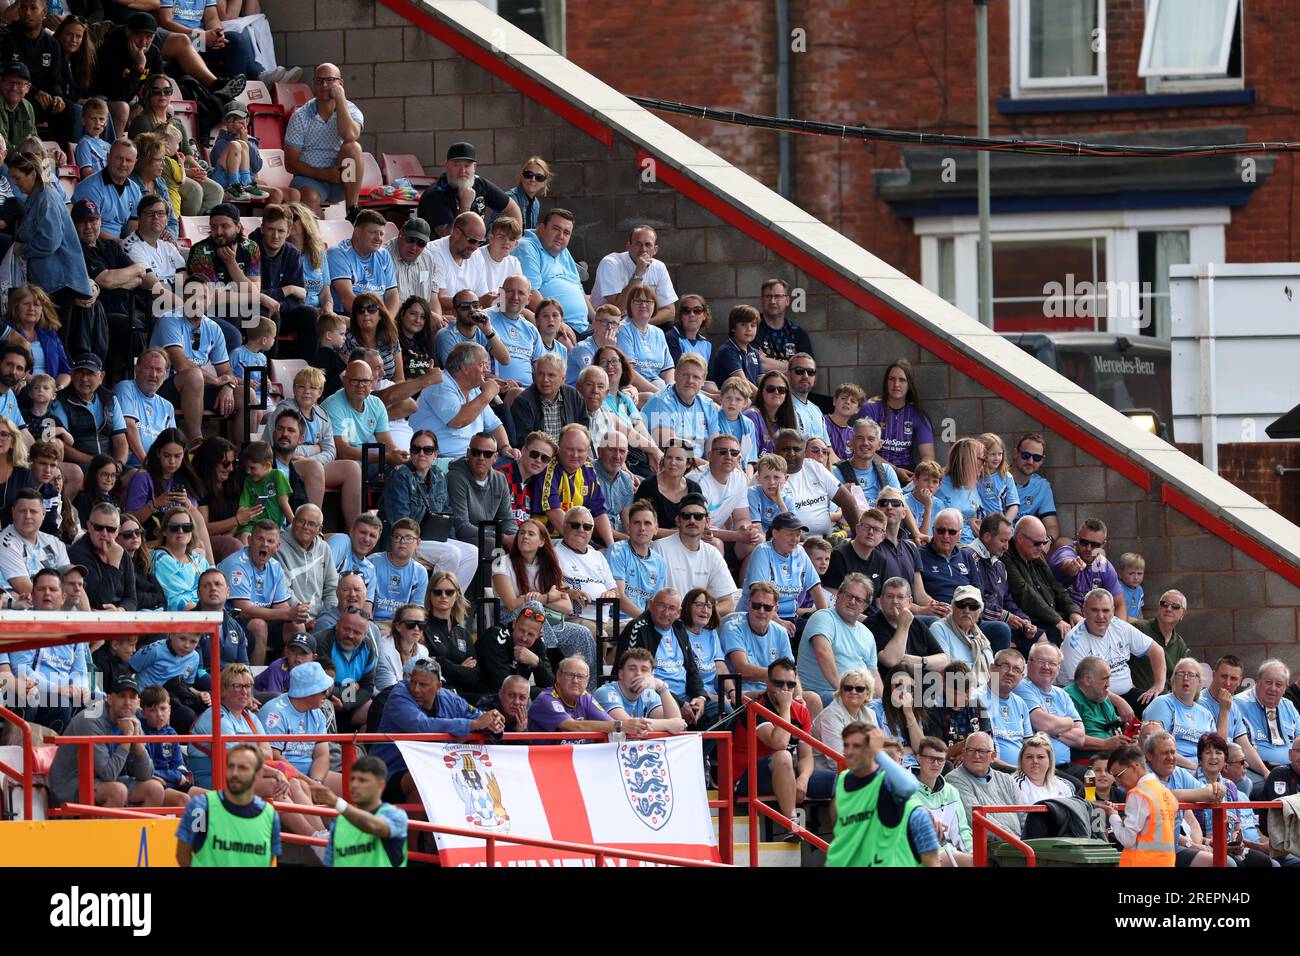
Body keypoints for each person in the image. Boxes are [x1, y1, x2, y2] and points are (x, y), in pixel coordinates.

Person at [370, 658, 504, 801]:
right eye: (413, 682)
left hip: (432, 770)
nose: (415, 689)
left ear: (439, 687)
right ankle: (409, 824)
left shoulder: (450, 698)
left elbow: (480, 717)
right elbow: (421, 726)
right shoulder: (399, 693)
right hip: (386, 772)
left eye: (423, 684)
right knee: (423, 780)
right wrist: (473, 724)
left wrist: (494, 723)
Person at [731, 657, 834, 840]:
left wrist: (802, 779)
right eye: (779, 683)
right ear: (767, 682)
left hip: (786, 775)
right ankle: (792, 825)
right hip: (747, 778)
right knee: (783, 755)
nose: (785, 689)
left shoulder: (801, 711)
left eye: (790, 684)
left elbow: (806, 756)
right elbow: (778, 742)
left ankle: (851, 843)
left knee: (844, 781)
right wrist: (786, 707)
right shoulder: (754, 707)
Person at [826, 722, 939, 867]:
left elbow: (909, 786)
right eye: (846, 745)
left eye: (857, 746)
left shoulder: (889, 785)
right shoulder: (842, 781)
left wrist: (879, 753)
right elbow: (840, 831)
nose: (849, 752)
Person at [47, 674, 166, 808]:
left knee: (155, 790)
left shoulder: (131, 720)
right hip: (68, 785)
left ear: (138, 703)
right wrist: (127, 738)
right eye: (122, 696)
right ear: (109, 699)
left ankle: (132, 830)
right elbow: (108, 774)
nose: (127, 702)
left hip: (102, 782)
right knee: (118, 792)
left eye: (132, 697)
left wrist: (137, 742)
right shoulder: (91, 720)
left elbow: (145, 775)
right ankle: (99, 830)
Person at [1060, 588, 1167, 718]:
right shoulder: (1073, 641)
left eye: (1105, 610)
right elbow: (1082, 685)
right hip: (1090, 699)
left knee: (1160, 707)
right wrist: (1120, 703)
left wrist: (1158, 685)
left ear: (1113, 611)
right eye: (1095, 610)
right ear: (1084, 611)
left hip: (1126, 693)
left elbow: (1156, 650)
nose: (1100, 616)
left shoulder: (1119, 626)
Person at [217, 519, 307, 665]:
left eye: (270, 541)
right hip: (231, 621)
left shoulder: (275, 566)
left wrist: (296, 614)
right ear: (249, 540)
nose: (265, 544)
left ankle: (292, 678)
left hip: (261, 617)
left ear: (277, 546)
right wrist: (287, 613)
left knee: (296, 626)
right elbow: (244, 610)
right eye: (260, 539)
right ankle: (255, 682)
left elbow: (281, 607)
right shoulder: (236, 564)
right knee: (259, 626)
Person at [176, 744, 281, 867]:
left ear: (258, 774)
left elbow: (268, 860)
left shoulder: (270, 816)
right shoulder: (201, 807)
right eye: (231, 766)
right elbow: (182, 856)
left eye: (243, 768)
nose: (235, 773)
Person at [410, 342, 514, 462]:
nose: (487, 369)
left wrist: (505, 447)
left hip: (471, 459)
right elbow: (457, 420)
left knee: (516, 464)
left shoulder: (474, 390)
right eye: (483, 364)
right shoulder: (440, 383)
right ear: (465, 367)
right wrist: (487, 395)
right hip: (437, 460)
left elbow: (494, 425)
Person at [283, 63, 363, 215]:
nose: (324, 85)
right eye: (319, 80)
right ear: (313, 83)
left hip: (342, 179)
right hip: (310, 179)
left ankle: (352, 210)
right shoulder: (300, 116)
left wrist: (340, 99)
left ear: (340, 83)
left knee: (353, 147)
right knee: (310, 198)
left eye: (330, 80)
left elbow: (350, 135)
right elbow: (290, 164)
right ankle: (317, 237)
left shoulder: (351, 109)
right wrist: (326, 174)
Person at [1194, 732, 1277, 868]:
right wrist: (1213, 842)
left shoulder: (1230, 786)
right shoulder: (1192, 784)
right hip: (1205, 845)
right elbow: (1191, 828)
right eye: (1208, 752)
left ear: (1225, 758)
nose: (1214, 757)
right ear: (1200, 758)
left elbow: (1237, 825)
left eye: (1219, 753)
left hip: (1231, 847)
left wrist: (1238, 841)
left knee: (1269, 863)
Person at [309, 755, 409, 867]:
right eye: (352, 779)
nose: (354, 785)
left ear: (381, 785)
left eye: (362, 780)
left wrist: (337, 803)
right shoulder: (339, 823)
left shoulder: (395, 815)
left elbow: (375, 826)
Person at [652, 491, 741, 617]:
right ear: (678, 520)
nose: (692, 520)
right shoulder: (659, 548)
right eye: (686, 516)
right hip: (666, 619)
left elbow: (728, 603)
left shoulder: (712, 554)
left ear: (707, 522)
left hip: (698, 625)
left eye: (698, 516)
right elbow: (650, 596)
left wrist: (698, 614)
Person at [517, 207, 595, 335]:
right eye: (556, 229)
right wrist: (557, 324)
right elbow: (531, 293)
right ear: (541, 229)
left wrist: (596, 319)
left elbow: (579, 290)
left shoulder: (563, 251)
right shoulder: (527, 247)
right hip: (555, 329)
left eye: (566, 233)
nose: (560, 236)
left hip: (582, 326)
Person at [418, 140, 520, 239]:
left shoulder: (479, 183)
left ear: (474, 167)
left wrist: (516, 241)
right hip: (440, 253)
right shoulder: (436, 193)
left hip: (473, 248)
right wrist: (465, 206)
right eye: (457, 165)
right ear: (447, 166)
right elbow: (450, 237)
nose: (463, 171)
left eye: (467, 165)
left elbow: (512, 208)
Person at [1004, 515, 1081, 644]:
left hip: (1051, 617)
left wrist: (1073, 611)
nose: (1042, 547)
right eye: (1037, 543)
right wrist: (1056, 620)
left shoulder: (1035, 554)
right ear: (1020, 539)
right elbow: (1025, 594)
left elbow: (1057, 588)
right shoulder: (1006, 557)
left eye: (1044, 542)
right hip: (1030, 622)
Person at [1011, 642, 1087, 769]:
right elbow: (1044, 724)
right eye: (1041, 661)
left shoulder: (1061, 694)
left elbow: (1080, 739)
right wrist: (1069, 722)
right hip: (1039, 769)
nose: (1046, 667)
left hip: (1065, 766)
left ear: (1058, 667)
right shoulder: (1022, 687)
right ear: (1029, 663)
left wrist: (1053, 731)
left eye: (1052, 663)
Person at [1102, 741, 1178, 867]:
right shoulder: (1166, 793)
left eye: (1119, 776)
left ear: (1133, 767)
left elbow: (1127, 840)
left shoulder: (1138, 794)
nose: (1118, 782)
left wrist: (1113, 816)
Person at [773, 428, 860, 539]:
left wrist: (858, 537)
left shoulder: (814, 467)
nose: (791, 454)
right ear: (774, 451)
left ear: (804, 451)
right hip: (792, 543)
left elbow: (847, 500)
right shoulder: (766, 476)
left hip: (827, 540)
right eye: (785, 449)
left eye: (796, 449)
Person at [859, 359, 935, 484]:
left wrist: (918, 475)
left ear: (909, 384)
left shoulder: (917, 413)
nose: (896, 384)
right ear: (886, 382)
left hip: (907, 472)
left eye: (902, 380)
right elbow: (864, 449)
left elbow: (928, 456)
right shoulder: (871, 408)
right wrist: (894, 470)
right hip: (874, 467)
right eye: (892, 379)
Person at [536, 427, 614, 546]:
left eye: (581, 450)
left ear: (587, 452)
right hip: (547, 539)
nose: (575, 455)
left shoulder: (588, 470)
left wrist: (611, 547)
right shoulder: (548, 468)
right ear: (559, 448)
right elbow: (553, 511)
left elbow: (599, 511)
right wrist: (582, 547)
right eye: (570, 449)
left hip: (578, 537)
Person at [946, 730, 1025, 847]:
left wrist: (1030, 838)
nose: (976, 755)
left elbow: (1025, 813)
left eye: (982, 751)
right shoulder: (954, 779)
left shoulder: (1006, 779)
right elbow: (979, 820)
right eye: (971, 750)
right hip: (990, 849)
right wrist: (1018, 842)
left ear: (992, 756)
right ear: (964, 752)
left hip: (1019, 845)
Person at [720, 581, 795, 695]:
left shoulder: (780, 632)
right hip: (742, 692)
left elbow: (792, 672)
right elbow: (742, 669)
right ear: (749, 604)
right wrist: (779, 675)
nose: (761, 611)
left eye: (767, 607)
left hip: (775, 689)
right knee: (778, 697)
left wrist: (799, 695)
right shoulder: (733, 627)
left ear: (776, 609)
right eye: (756, 605)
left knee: (812, 699)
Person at [593, 647, 689, 735]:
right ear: (621, 674)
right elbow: (630, 725)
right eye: (632, 669)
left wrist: (661, 687)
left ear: (651, 675)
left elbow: (678, 725)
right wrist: (668, 724)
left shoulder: (648, 693)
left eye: (644, 670)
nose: (638, 674)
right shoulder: (605, 692)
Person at [1142, 658, 1217, 769]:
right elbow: (1155, 746)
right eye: (1181, 674)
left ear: (1199, 682)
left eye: (1191, 675)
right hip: (1173, 766)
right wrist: (1193, 767)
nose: (1185, 678)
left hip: (1203, 767)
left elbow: (1215, 748)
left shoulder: (1205, 714)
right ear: (1173, 680)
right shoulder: (1162, 704)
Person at [865, 576, 949, 675]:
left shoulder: (917, 623)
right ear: (882, 601)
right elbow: (891, 660)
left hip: (923, 686)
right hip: (894, 686)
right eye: (889, 596)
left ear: (909, 601)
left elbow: (944, 660)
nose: (895, 601)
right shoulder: (871, 625)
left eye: (900, 597)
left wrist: (920, 661)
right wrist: (903, 626)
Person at [0, 487, 69, 599]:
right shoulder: (5, 542)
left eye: (33, 511)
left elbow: (70, 582)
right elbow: (25, 588)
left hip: (55, 607)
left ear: (43, 514)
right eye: (22, 511)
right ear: (13, 513)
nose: (27, 516)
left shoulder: (55, 543)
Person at [67, 501, 135, 610]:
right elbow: (99, 601)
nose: (104, 533)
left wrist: (120, 611)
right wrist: (113, 565)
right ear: (89, 526)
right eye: (98, 527)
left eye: (111, 529)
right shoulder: (78, 553)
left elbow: (131, 598)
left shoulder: (121, 553)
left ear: (118, 530)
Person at [1234, 659, 1300, 771]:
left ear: (1285, 687)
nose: (1273, 689)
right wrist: (1266, 773)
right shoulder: (1237, 704)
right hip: (1254, 770)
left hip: (1291, 770)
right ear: (1258, 681)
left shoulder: (1289, 706)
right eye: (1268, 682)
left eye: (1279, 684)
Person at [510, 352, 588, 444]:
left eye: (551, 375)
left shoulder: (574, 396)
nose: (545, 380)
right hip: (539, 456)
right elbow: (524, 442)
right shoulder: (523, 402)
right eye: (540, 374)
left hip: (569, 455)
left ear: (563, 379)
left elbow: (583, 428)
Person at [1064, 656, 1128, 760]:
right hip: (1089, 760)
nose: (1109, 684)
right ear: (1087, 680)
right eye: (1105, 679)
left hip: (1114, 756)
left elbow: (1113, 728)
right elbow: (1068, 736)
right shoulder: (1068, 698)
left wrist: (1126, 734)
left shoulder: (1102, 695)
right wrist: (1104, 744)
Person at [810, 669, 876, 771]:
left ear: (868, 693)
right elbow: (836, 760)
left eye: (859, 689)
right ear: (840, 691)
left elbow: (877, 748)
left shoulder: (870, 714)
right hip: (824, 772)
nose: (853, 692)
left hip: (857, 769)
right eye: (848, 688)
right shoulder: (830, 715)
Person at [753, 278, 812, 373]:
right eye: (768, 296)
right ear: (762, 300)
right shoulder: (752, 327)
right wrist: (797, 367)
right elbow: (757, 363)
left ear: (787, 300)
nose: (772, 301)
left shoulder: (797, 333)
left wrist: (770, 363)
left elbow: (809, 371)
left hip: (791, 388)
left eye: (777, 296)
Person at [707, 304, 764, 390]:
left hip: (751, 399)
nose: (749, 329)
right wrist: (763, 398)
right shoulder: (727, 351)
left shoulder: (755, 353)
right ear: (733, 327)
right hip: (733, 399)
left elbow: (761, 380)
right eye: (743, 325)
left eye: (753, 325)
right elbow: (742, 382)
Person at [1012, 733, 1076, 801]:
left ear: (1050, 762)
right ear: (1021, 761)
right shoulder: (1015, 785)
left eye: (1040, 757)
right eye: (1029, 757)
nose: (1035, 761)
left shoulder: (1064, 786)